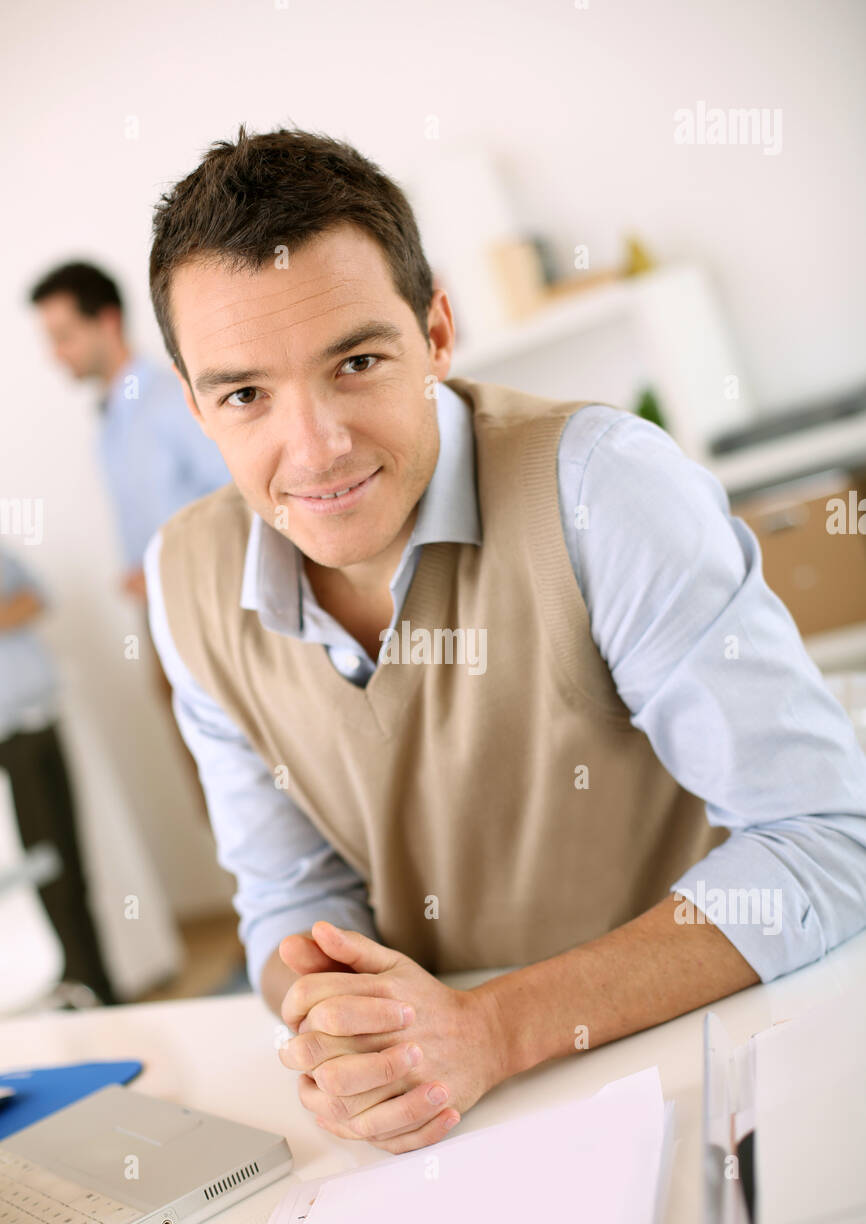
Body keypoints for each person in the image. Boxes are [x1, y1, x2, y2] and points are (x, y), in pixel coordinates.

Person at [143, 124, 866, 1155]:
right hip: (457, 1117)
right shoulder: (185, 583)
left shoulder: (601, 488)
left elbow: (825, 840)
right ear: (196, 408)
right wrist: (358, 1034)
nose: (313, 447)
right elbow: (291, 897)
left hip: (715, 1048)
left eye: (355, 361)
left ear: (436, 332)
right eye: (246, 394)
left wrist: (490, 1028)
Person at [29, 261, 230, 802]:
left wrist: (169, 566)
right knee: (202, 767)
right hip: (162, 615)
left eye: (63, 336)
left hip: (209, 607)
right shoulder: (110, 421)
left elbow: (239, 495)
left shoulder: (168, 402)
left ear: (108, 321)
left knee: (237, 761)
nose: (55, 353)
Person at [0, 546, 117, 1004]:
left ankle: (96, 986)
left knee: (65, 862)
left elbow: (34, 599)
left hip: (37, 721)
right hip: (8, 736)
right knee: (36, 876)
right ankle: (71, 984)